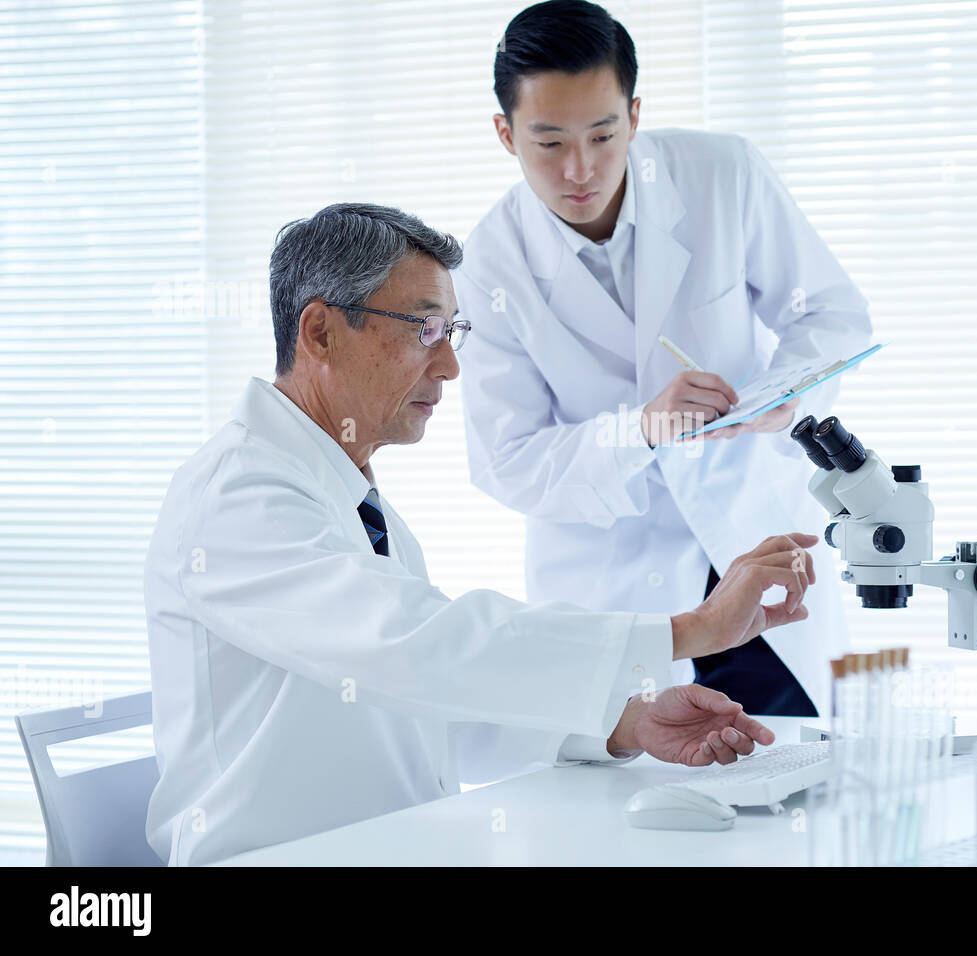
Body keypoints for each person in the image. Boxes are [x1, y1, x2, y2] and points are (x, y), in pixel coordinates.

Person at [143, 202, 817, 866]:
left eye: (451, 333)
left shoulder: (346, 493)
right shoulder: (238, 495)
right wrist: (689, 629)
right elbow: (415, 645)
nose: (450, 369)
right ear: (320, 332)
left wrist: (622, 722)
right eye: (424, 331)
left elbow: (427, 702)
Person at [455, 0, 873, 719]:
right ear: (504, 133)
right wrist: (640, 430)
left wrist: (783, 397)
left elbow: (832, 316)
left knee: (793, 780)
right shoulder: (486, 264)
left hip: (755, 554)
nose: (579, 169)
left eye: (602, 133)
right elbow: (508, 460)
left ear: (635, 114)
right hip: (613, 592)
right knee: (626, 807)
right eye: (548, 142)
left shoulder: (722, 175)